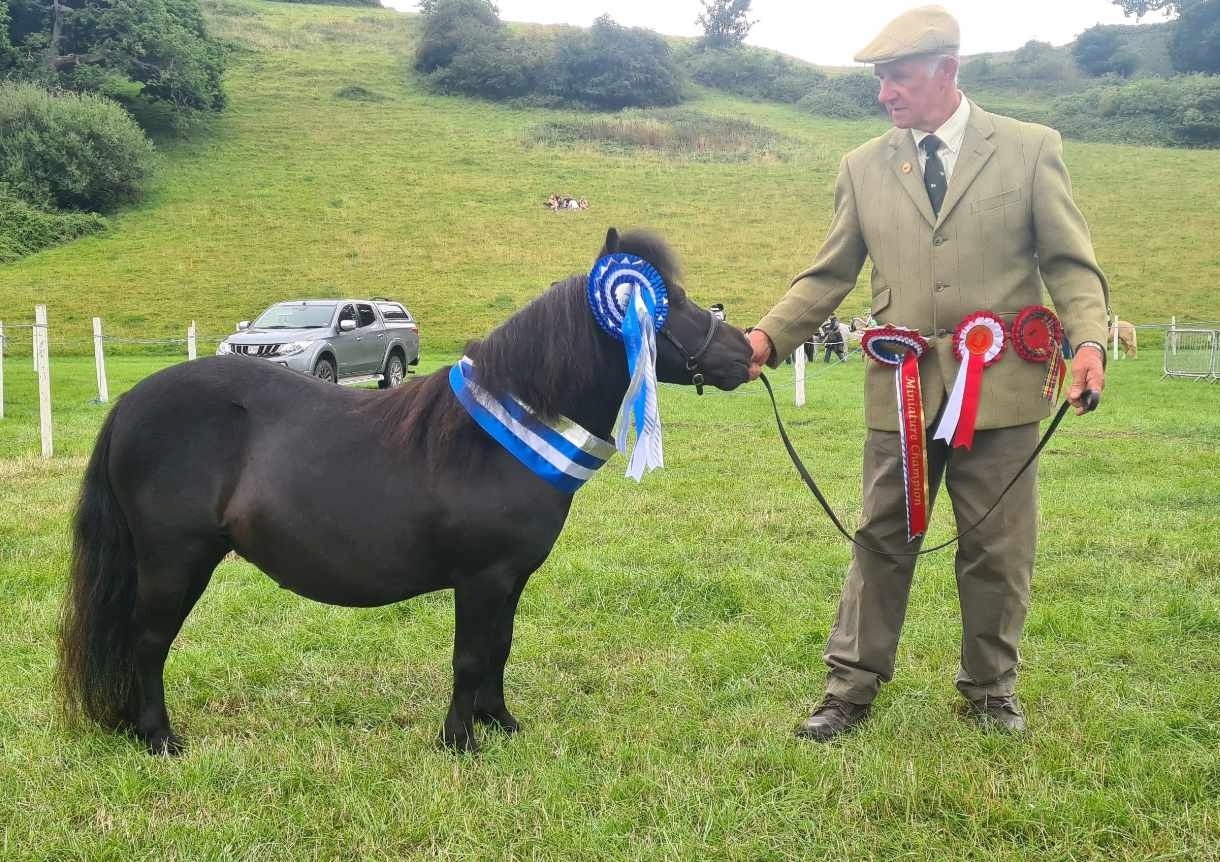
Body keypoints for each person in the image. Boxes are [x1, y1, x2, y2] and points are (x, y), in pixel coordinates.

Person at [746, 5, 1109, 740]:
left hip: (1001, 390)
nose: (886, 93)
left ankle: (990, 690)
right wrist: (766, 337)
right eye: (881, 80)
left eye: (899, 77)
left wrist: (1089, 342)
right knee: (880, 538)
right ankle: (848, 690)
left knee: (997, 550)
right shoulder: (862, 165)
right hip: (900, 391)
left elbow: (1069, 263)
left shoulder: (1032, 149)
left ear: (948, 71)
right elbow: (828, 275)